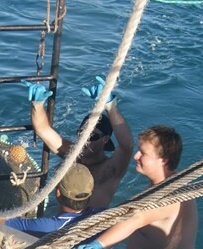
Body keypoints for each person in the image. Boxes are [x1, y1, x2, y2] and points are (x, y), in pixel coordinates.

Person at [73, 125, 198, 249]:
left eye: (143, 153)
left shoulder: (170, 194)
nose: (136, 156)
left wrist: (100, 245)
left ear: (163, 160)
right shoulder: (164, 182)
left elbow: (135, 218)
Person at [24, 76, 133, 208]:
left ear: (105, 139)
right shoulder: (72, 153)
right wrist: (37, 104)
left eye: (92, 136)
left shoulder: (110, 169)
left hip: (90, 224)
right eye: (81, 134)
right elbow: (43, 130)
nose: (84, 140)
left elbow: (126, 146)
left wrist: (111, 106)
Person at [0, 163, 100, 238]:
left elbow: (1, 220)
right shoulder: (101, 216)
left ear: (57, 193)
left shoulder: (49, 226)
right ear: (91, 193)